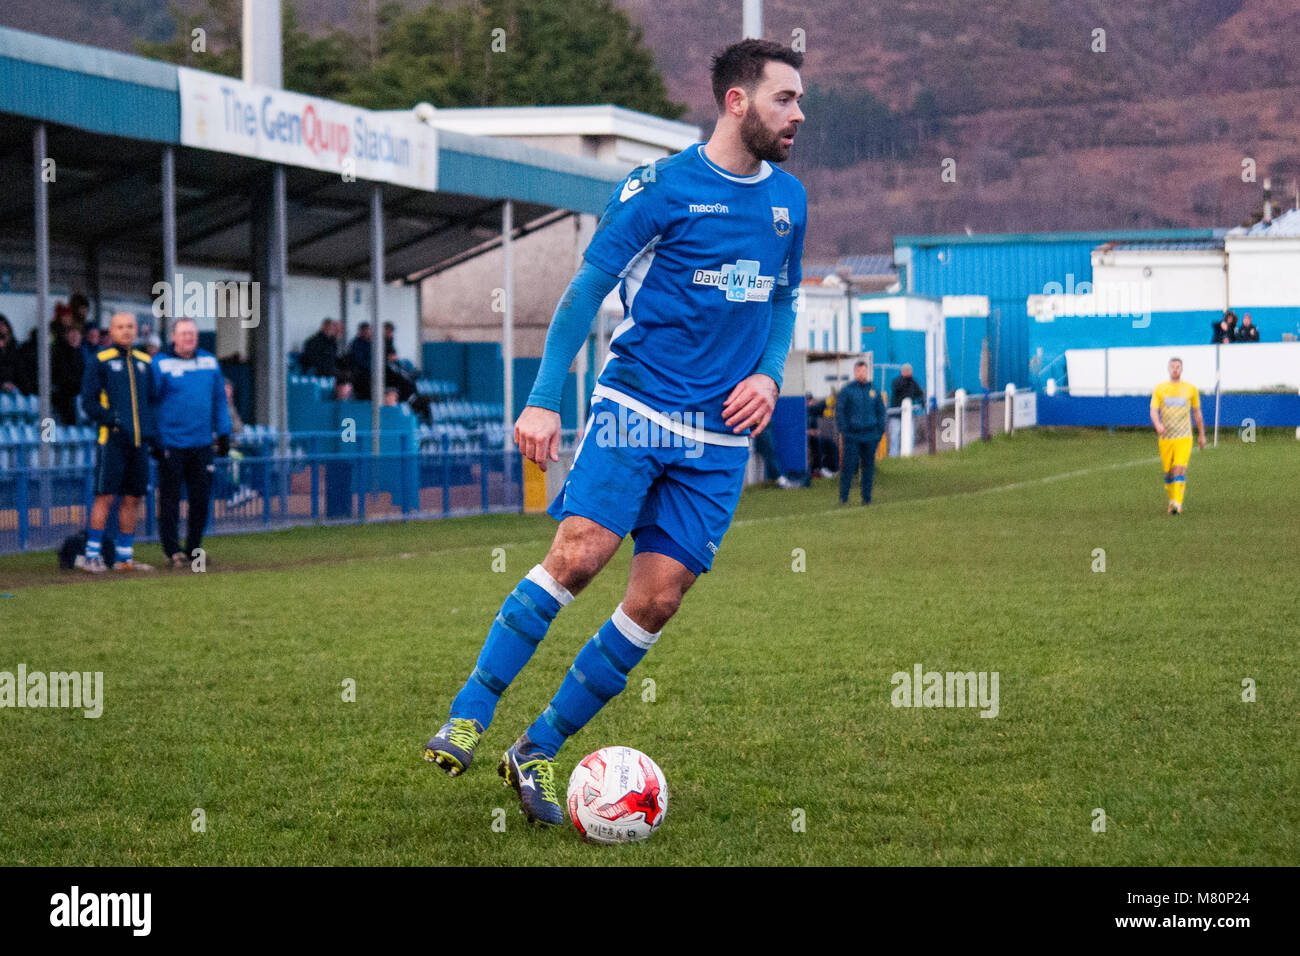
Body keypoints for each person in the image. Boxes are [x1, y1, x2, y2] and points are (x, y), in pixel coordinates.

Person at [421, 38, 807, 827]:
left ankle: (535, 749)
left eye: (800, 101)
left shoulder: (789, 201)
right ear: (737, 101)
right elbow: (582, 294)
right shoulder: (659, 188)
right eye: (784, 99)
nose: (798, 114)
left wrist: (769, 373)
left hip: (719, 441)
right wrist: (541, 398)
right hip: (637, 406)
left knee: (659, 599)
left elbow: (784, 299)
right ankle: (467, 711)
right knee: (581, 553)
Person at [76, 312, 159, 572]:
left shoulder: (145, 362)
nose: (126, 331)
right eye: (120, 327)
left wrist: (148, 430)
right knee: (105, 496)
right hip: (111, 441)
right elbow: (88, 403)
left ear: (136, 330)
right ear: (111, 331)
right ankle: (92, 556)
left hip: (139, 443)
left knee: (133, 498)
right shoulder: (99, 360)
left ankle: (124, 558)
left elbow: (152, 401)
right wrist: (113, 420)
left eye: (130, 326)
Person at [153, 318, 232, 568]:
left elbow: (220, 400)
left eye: (193, 334)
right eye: (184, 333)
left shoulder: (209, 362)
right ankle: (172, 550)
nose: (189, 338)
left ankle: (194, 547)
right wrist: (156, 439)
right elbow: (151, 403)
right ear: (174, 337)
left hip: (201, 444)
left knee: (201, 498)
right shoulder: (160, 363)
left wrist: (224, 432)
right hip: (171, 443)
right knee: (170, 499)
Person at [1150, 356, 1205, 516]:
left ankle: (1177, 503)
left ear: (1182, 369)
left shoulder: (1190, 389)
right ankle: (1171, 501)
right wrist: (1158, 425)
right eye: (1173, 366)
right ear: (1169, 369)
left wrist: (1201, 434)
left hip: (1184, 436)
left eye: (1178, 367)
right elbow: (1153, 410)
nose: (1175, 369)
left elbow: (1197, 413)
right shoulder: (1160, 389)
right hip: (1166, 438)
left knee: (1179, 469)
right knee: (1169, 472)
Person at [835, 360, 885, 505]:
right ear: (855, 372)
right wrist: (845, 431)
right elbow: (840, 411)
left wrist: (879, 431)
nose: (862, 374)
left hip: (870, 435)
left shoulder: (873, 390)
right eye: (860, 371)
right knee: (849, 467)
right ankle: (843, 498)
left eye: (864, 371)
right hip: (853, 435)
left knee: (868, 467)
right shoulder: (847, 390)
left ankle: (866, 498)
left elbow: (880, 411)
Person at [51, 325, 85, 425]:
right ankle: (47, 439)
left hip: (73, 397)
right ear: (66, 336)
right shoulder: (58, 353)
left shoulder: (80, 354)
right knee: (50, 423)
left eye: (77, 335)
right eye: (71, 335)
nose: (74, 337)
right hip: (58, 397)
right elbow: (61, 377)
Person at [805, 393, 836, 477]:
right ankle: (817, 469)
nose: (809, 403)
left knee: (831, 444)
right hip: (803, 438)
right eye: (807, 401)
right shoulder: (803, 410)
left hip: (814, 436)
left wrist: (816, 431)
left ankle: (831, 469)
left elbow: (823, 411)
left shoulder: (814, 412)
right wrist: (808, 431)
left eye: (810, 401)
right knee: (816, 443)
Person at [0, 314, 20, 393]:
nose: (1, 328)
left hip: (14, 387)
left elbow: (19, 371)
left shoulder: (15, 348)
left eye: (3, 325)